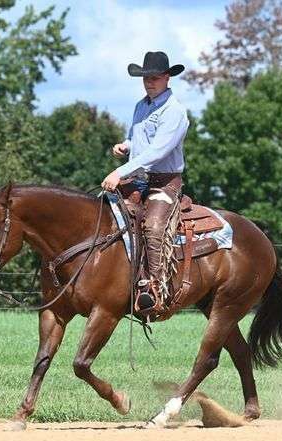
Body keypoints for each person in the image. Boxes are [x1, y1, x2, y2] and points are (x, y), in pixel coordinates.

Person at [101, 51, 190, 312]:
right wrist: (126, 145)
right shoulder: (141, 106)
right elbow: (137, 139)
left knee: (153, 226)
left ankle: (155, 289)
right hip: (138, 177)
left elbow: (157, 152)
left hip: (165, 183)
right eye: (145, 78)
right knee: (103, 211)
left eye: (155, 77)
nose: (149, 82)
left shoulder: (174, 111)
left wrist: (120, 172)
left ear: (167, 77)